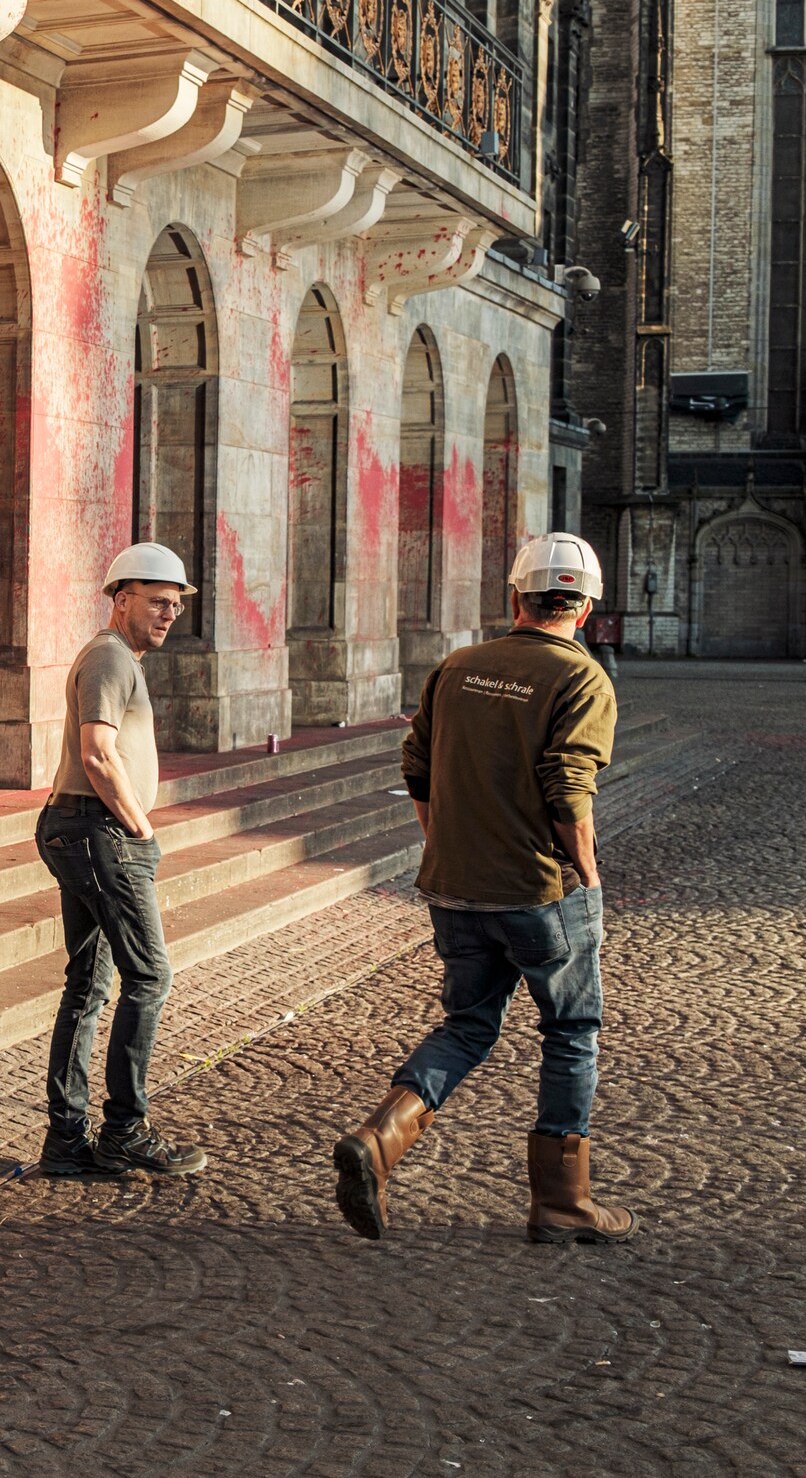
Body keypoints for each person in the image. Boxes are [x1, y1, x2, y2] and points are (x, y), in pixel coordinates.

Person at [333, 532, 637, 1246]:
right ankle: (563, 1202)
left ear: (515, 600)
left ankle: (379, 1139)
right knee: (570, 1031)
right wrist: (588, 876)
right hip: (539, 890)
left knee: (468, 1023)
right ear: (586, 608)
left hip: (456, 886)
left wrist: (442, 841)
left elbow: (416, 765)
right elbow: (568, 788)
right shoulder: (582, 678)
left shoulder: (456, 667)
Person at [34, 543, 208, 1179]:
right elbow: (98, 753)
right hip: (97, 831)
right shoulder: (109, 657)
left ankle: (65, 1141)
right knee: (149, 977)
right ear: (120, 597)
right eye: (158, 602)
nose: (168, 615)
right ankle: (125, 1132)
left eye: (175, 605)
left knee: (89, 984)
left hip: (79, 828)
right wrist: (140, 829)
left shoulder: (116, 658)